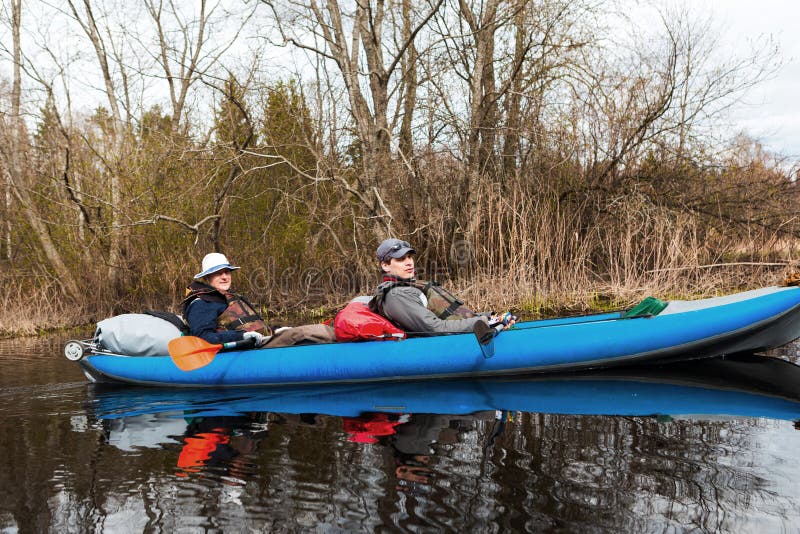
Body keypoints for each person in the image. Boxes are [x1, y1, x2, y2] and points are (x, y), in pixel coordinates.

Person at [183, 252, 335, 348]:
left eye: (227, 272)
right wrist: (241, 337)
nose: (225, 276)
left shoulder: (231, 298)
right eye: (218, 273)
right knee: (307, 332)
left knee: (309, 330)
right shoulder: (202, 303)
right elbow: (202, 337)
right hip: (249, 348)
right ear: (207, 277)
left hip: (263, 341)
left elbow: (255, 325)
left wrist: (275, 330)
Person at [368, 238, 515, 335]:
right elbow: (435, 328)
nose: (409, 262)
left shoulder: (407, 286)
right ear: (385, 266)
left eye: (409, 257)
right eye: (400, 259)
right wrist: (484, 323)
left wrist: (491, 317)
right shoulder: (397, 296)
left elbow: (450, 318)